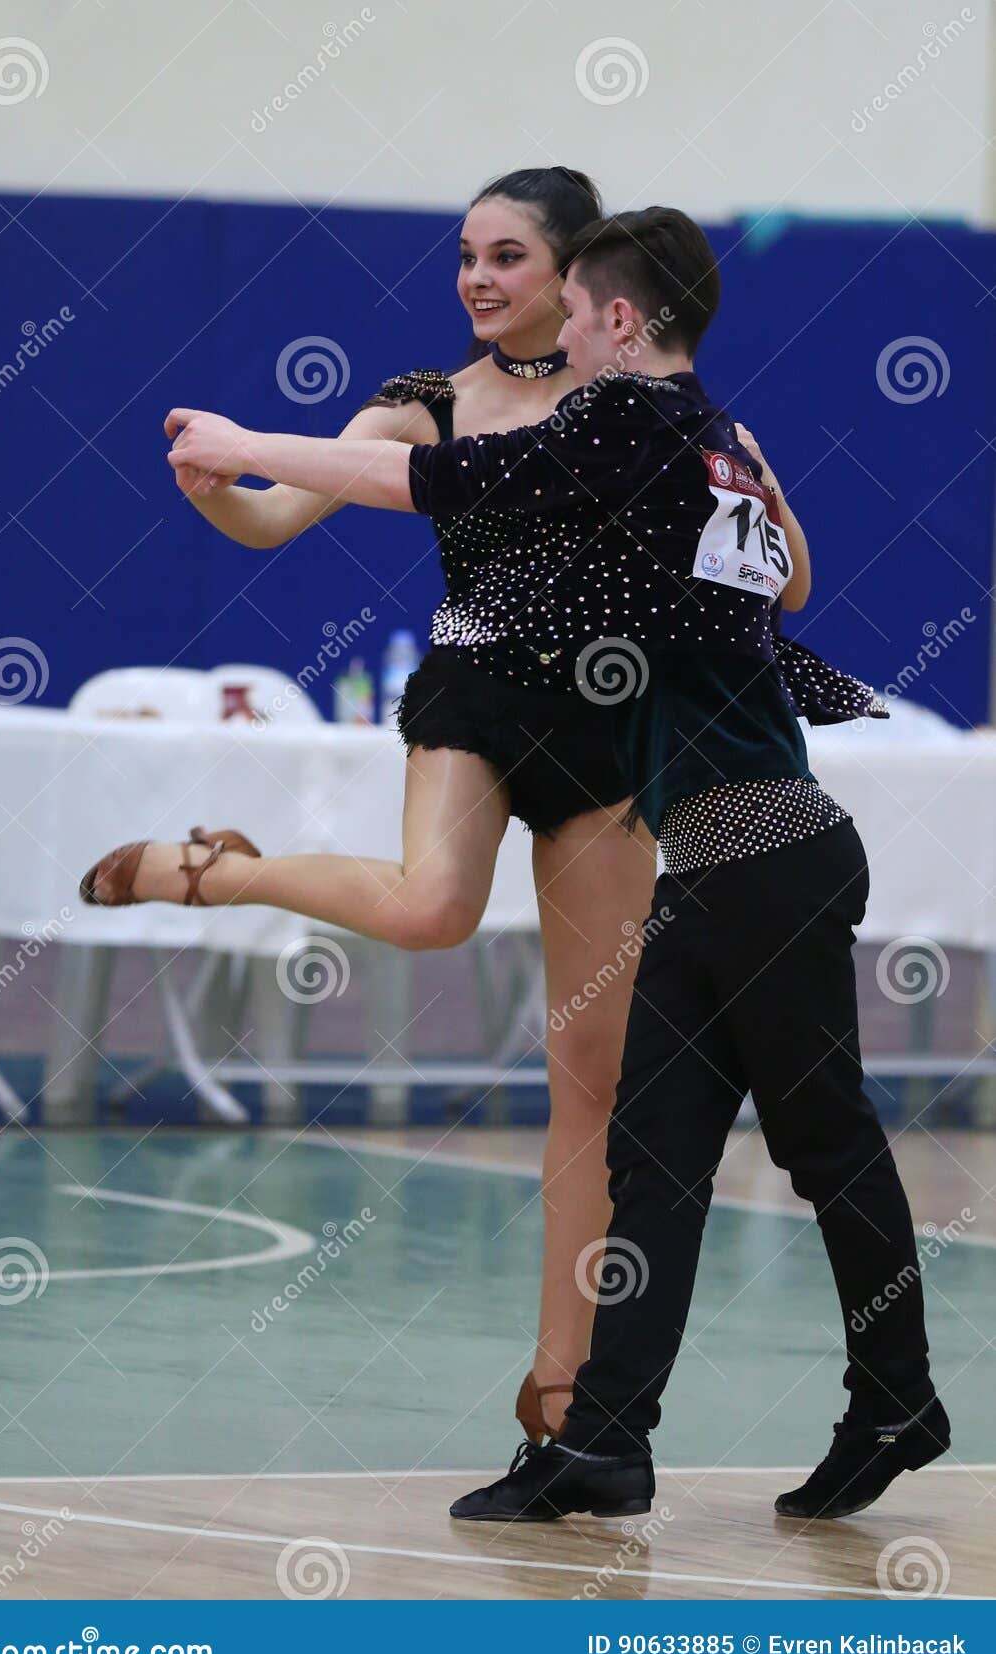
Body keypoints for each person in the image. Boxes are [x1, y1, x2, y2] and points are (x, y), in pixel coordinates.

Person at [160, 205, 949, 1524]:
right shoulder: (712, 441)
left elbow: (425, 482)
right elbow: (778, 597)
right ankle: (603, 1442)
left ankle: (895, 1399)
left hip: (764, 849)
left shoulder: (624, 423)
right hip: (712, 856)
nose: (560, 338)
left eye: (574, 313)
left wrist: (245, 444)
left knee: (821, 1143)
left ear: (619, 321)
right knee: (652, 1151)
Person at [82, 167, 662, 1448]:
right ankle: (223, 870)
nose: (476, 279)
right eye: (466, 255)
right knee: (430, 910)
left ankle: (562, 1382)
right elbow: (276, 514)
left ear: (573, 272)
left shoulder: (633, 407)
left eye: (505, 256)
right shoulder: (424, 402)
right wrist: (219, 490)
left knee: (592, 1071)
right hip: (474, 700)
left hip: (610, 728)